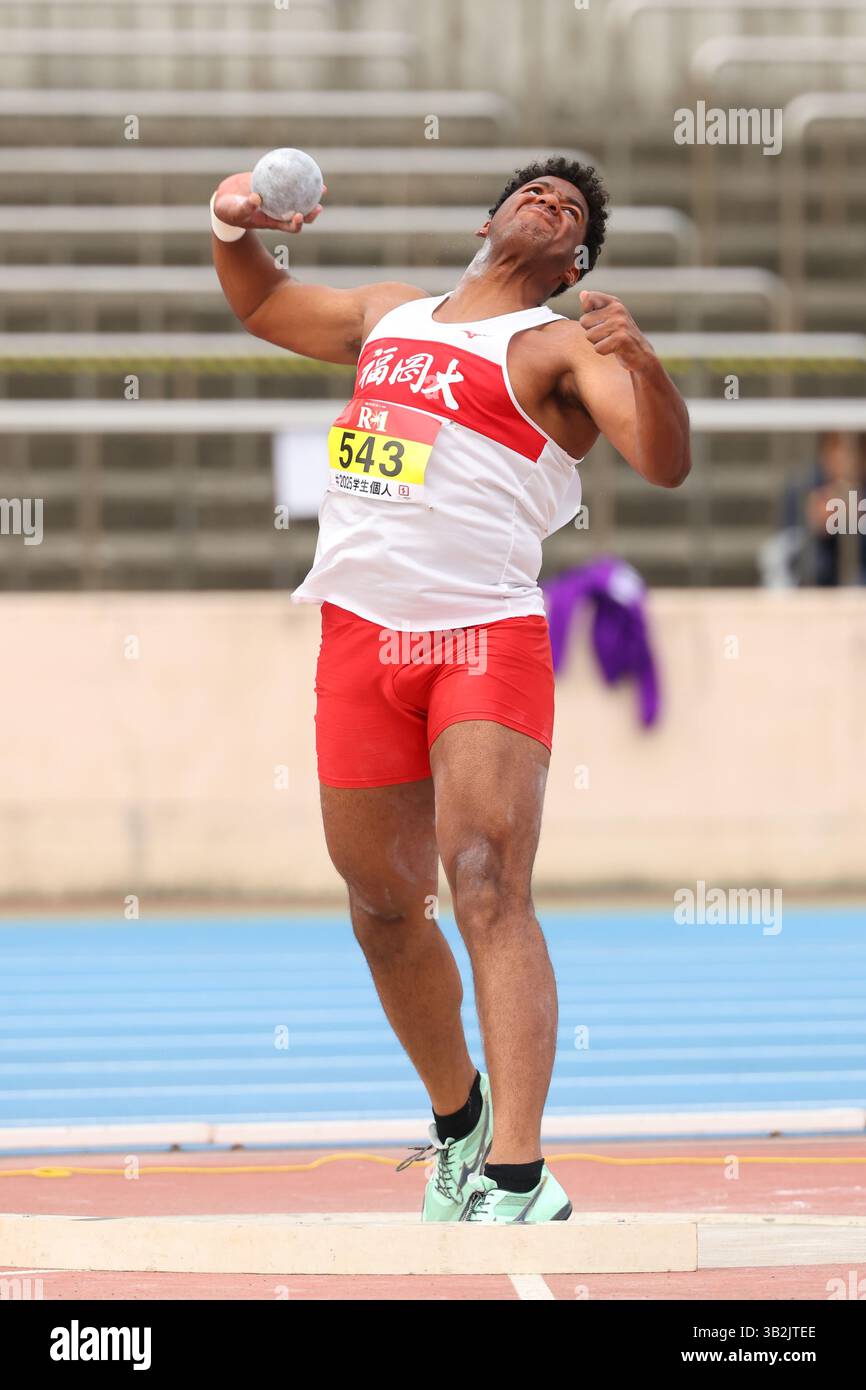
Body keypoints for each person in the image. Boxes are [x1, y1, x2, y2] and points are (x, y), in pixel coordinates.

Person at [212, 155, 690, 1223]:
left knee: (484, 877)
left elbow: (660, 460)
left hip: (480, 634)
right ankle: (459, 1118)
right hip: (357, 634)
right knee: (382, 903)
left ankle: (517, 1172)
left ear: (573, 265)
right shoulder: (390, 314)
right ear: (490, 218)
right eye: (535, 190)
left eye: (571, 214)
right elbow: (261, 303)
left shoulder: (561, 346)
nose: (551, 203)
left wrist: (644, 364)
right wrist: (230, 219)